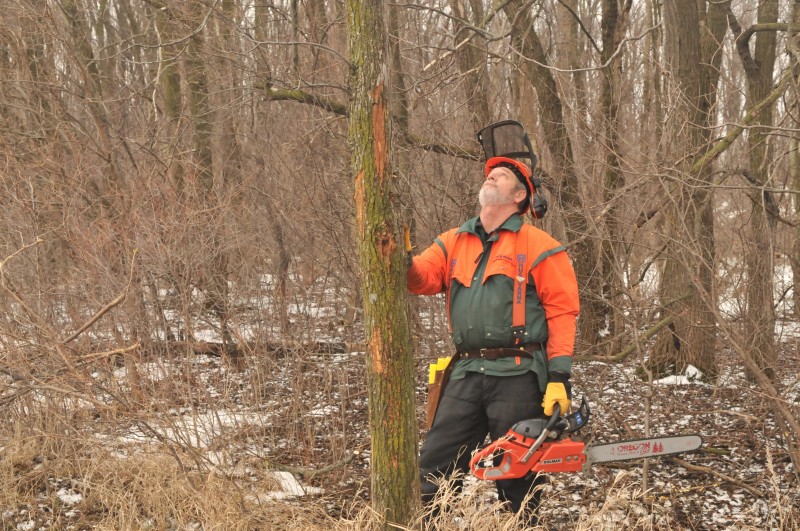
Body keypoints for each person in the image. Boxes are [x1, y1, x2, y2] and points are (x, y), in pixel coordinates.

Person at [406, 155, 580, 525]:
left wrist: (559, 377)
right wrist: (401, 259)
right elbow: (420, 279)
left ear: (519, 195)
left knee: (517, 483)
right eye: (489, 175)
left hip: (518, 375)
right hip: (466, 372)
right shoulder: (454, 240)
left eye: (499, 176)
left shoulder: (540, 245)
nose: (490, 178)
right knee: (432, 472)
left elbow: (562, 311)